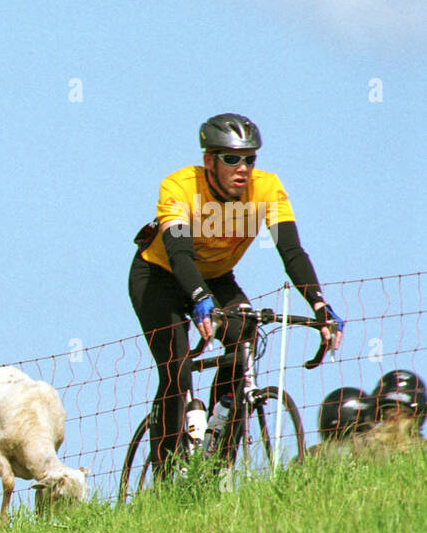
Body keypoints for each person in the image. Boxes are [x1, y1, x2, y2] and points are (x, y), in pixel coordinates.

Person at [128, 113, 343, 475]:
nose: (242, 167)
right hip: (160, 276)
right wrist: (198, 299)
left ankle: (216, 448)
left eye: (250, 158)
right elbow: (179, 254)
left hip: (216, 277)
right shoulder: (179, 187)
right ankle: (165, 479)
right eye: (232, 158)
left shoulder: (267, 188)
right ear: (209, 161)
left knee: (244, 334)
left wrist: (320, 306)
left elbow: (291, 252)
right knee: (176, 370)